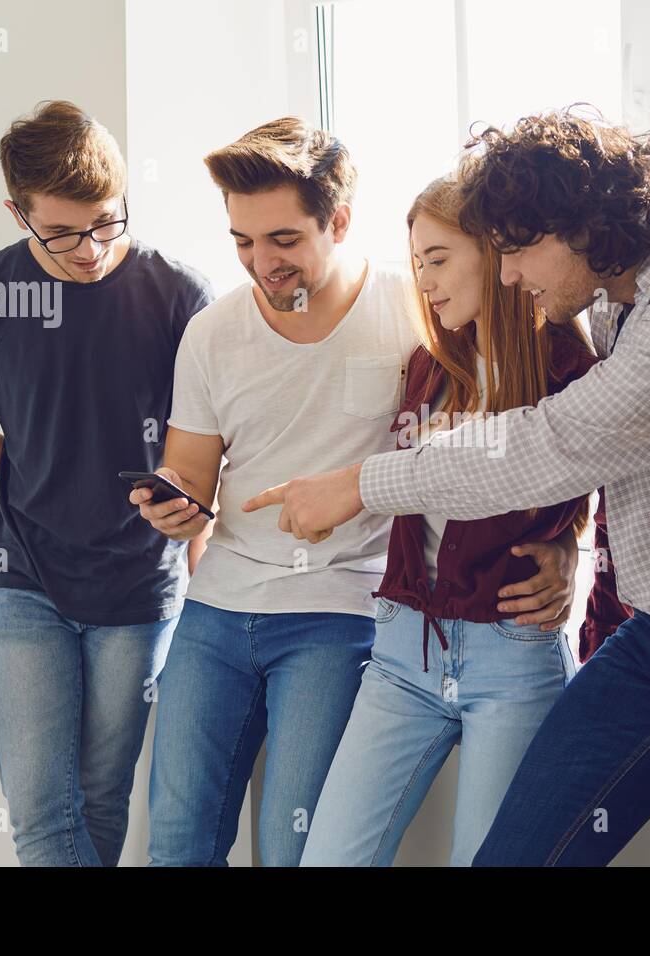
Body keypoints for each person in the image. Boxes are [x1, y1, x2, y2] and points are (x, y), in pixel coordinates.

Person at [245, 109, 650, 866]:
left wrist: (359, 484)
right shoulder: (639, 290)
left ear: (583, 226)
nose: (508, 274)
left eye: (516, 251)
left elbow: (553, 443)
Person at [136, 119, 581, 867]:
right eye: (242, 241)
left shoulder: (417, 315)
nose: (259, 263)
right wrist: (173, 501)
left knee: (291, 846)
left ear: (338, 221)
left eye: (282, 240)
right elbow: (191, 476)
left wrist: (569, 543)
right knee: (177, 841)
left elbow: (533, 450)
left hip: (347, 610)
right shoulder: (216, 333)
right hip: (241, 609)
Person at [300, 173, 626, 866]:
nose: (424, 281)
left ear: (494, 255)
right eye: (416, 263)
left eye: (439, 259)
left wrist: (571, 549)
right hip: (401, 654)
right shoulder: (427, 366)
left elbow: (605, 490)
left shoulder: (571, 369)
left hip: (511, 656)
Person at [0, 100, 213, 866]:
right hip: (28, 581)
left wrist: (194, 512)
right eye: (60, 232)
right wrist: (35, 473)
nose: (89, 250)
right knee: (39, 816)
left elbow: (219, 442)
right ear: (16, 213)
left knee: (98, 803)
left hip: (138, 589)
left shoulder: (182, 296)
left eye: (107, 222)